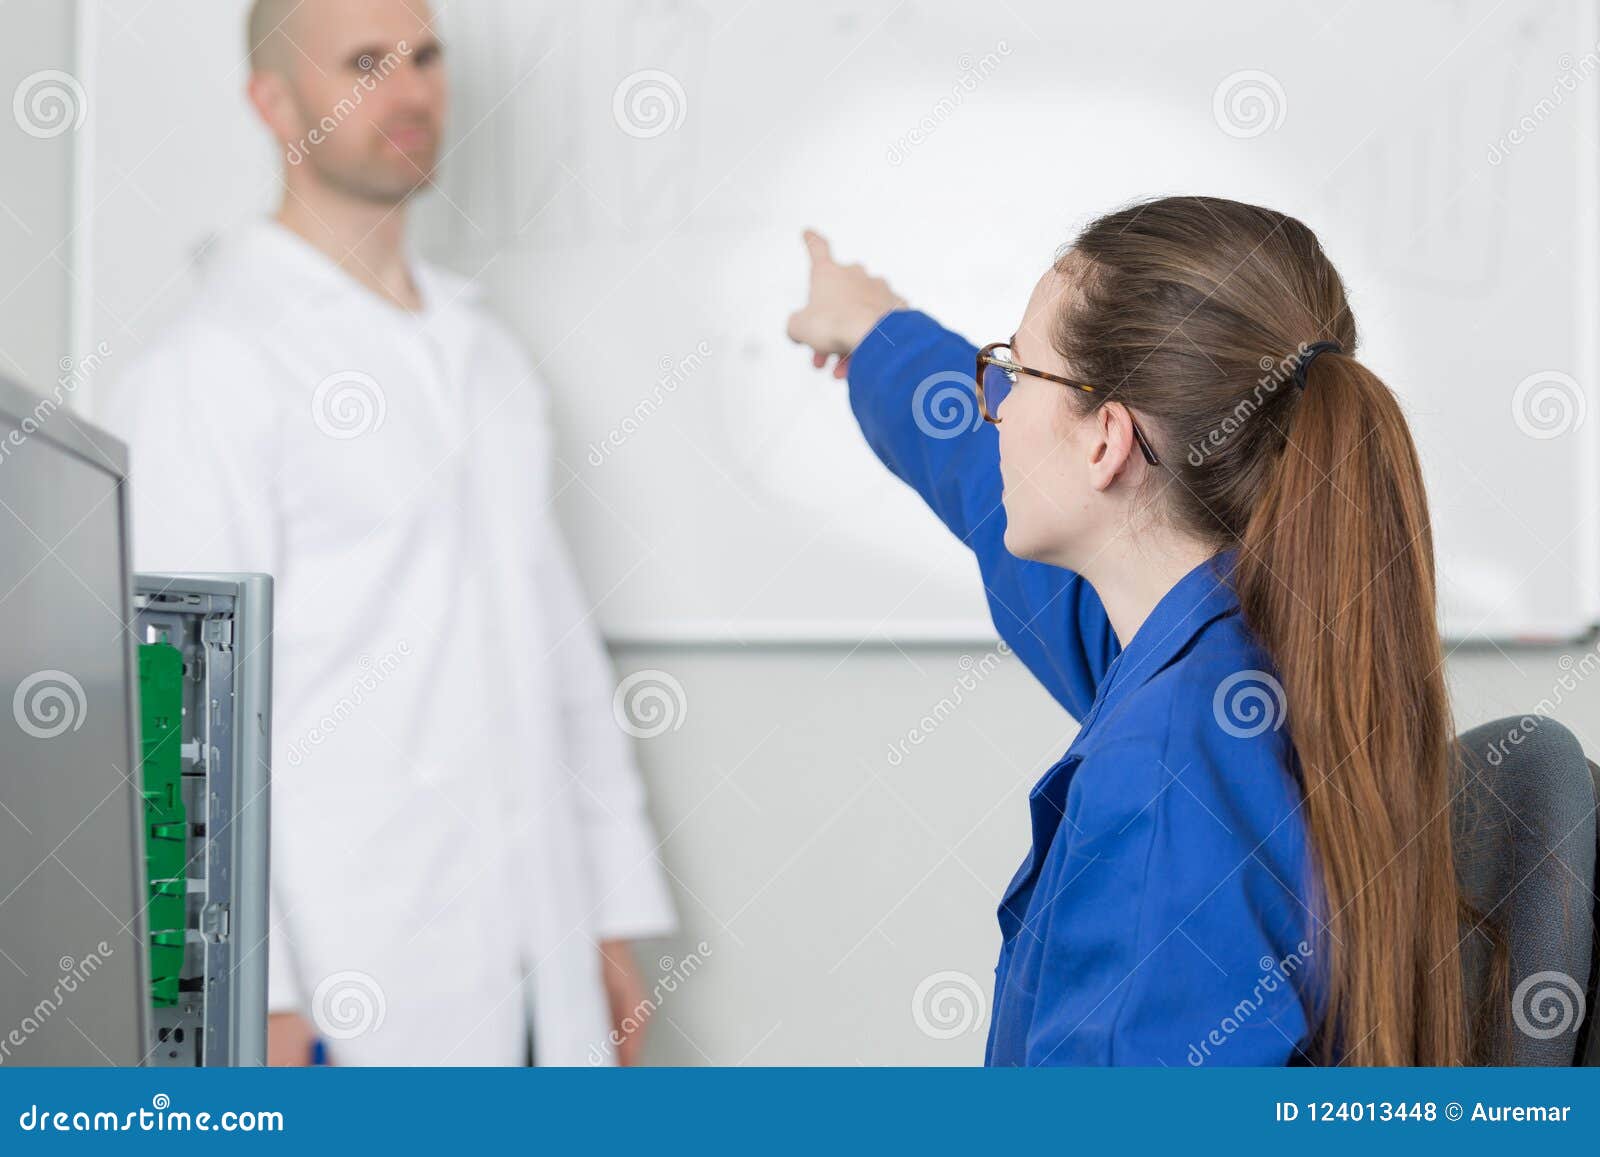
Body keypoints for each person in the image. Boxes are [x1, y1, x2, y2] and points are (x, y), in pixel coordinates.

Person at [99, 0, 675, 1065]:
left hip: (528, 957)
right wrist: (245, 997)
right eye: (364, 63)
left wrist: (596, 915)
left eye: (424, 56)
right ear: (272, 99)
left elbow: (555, 658)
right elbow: (173, 717)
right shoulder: (207, 370)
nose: (408, 90)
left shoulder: (486, 357)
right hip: (341, 984)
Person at [787, 197, 1470, 1065]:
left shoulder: (1161, 791)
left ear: (1107, 440)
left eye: (1014, 374)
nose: (989, 403)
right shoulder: (1242, 648)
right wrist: (876, 330)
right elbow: (975, 473)